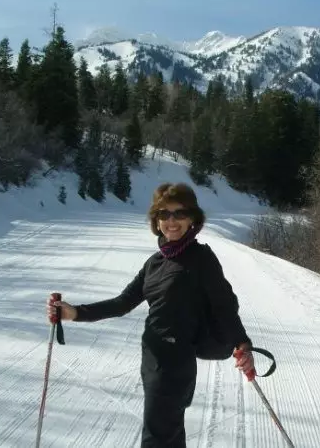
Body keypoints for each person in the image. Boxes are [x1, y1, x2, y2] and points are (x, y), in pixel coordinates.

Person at [46, 182, 254, 447]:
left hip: (176, 364)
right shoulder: (155, 263)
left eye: (179, 213)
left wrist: (243, 344)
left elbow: (224, 306)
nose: (172, 221)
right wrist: (74, 313)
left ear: (192, 218)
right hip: (152, 359)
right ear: (156, 220)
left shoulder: (201, 258)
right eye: (164, 214)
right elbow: (122, 303)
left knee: (157, 437)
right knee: (167, 434)